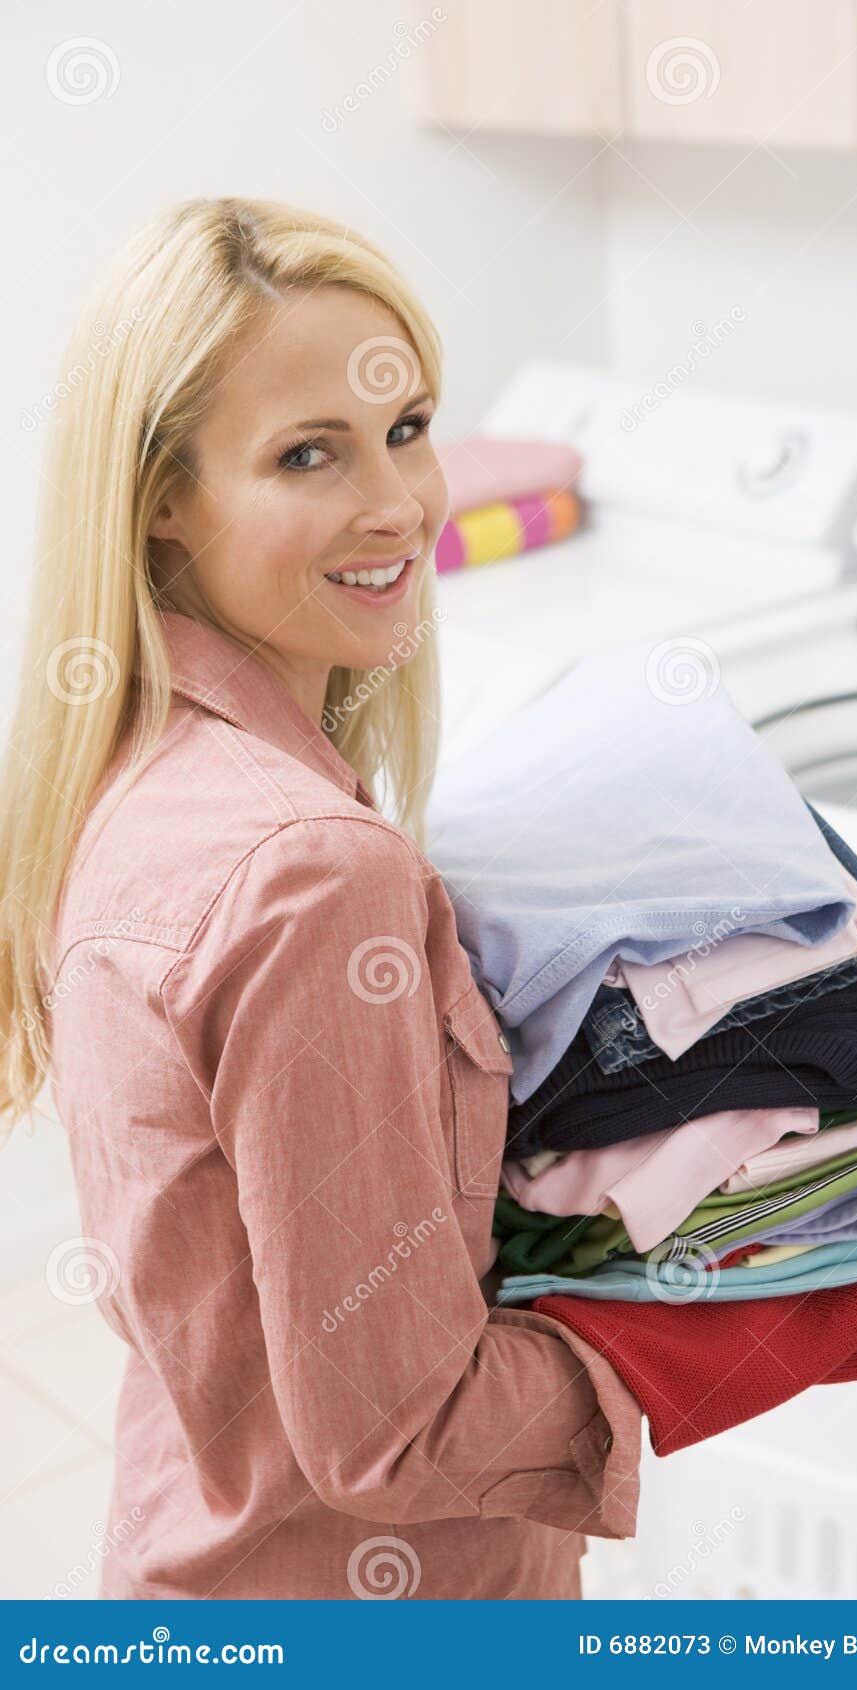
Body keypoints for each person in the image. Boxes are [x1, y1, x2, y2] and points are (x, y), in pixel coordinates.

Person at [0, 196, 642, 1600]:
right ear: (161, 498)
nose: (399, 504)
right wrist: (702, 1329)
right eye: (309, 454)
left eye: (408, 428)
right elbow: (402, 1425)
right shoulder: (312, 872)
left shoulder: (124, 770)